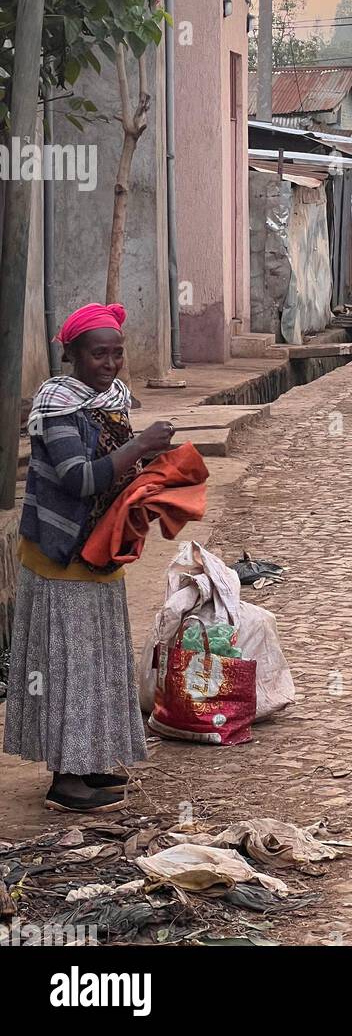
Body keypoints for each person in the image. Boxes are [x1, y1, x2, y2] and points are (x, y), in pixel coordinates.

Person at [3, 303, 178, 813]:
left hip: (97, 553)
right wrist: (140, 445)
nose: (110, 363)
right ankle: (65, 780)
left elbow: (113, 467)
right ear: (72, 355)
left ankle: (88, 761)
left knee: (98, 664)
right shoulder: (56, 408)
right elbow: (80, 478)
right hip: (59, 560)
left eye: (117, 353)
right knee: (67, 669)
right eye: (98, 354)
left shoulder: (109, 403)